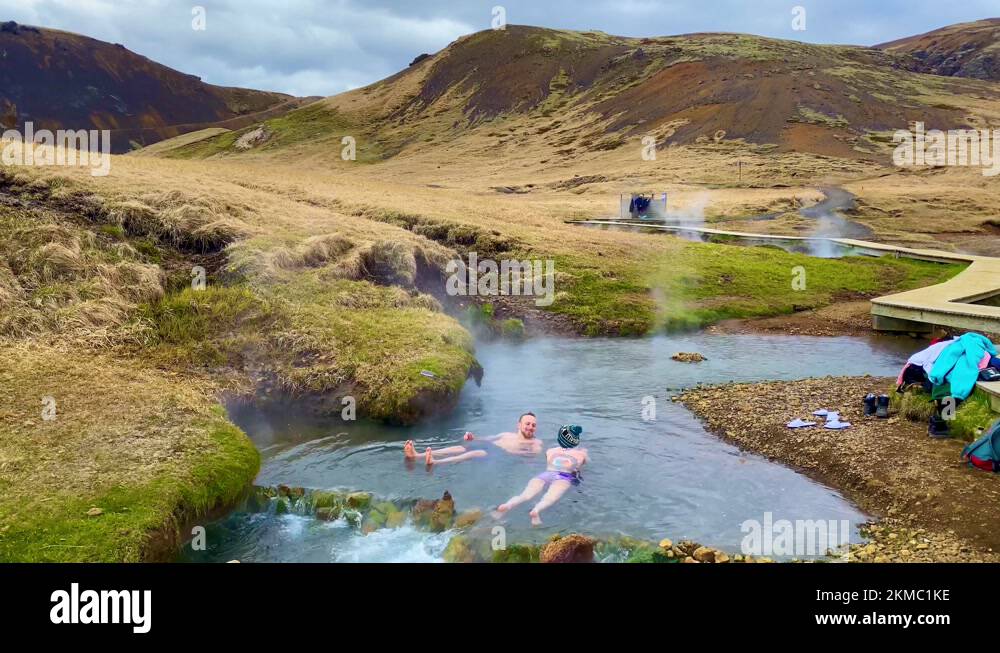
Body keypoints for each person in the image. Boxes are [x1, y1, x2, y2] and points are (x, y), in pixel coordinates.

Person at [494, 424, 587, 525]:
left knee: (525, 495)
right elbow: (580, 468)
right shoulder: (581, 454)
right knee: (550, 498)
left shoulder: (550, 451)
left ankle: (508, 505)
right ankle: (536, 510)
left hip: (545, 474)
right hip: (563, 477)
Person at [403, 412, 542, 465]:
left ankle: (435, 462)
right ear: (519, 425)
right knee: (460, 447)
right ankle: (417, 455)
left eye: (533, 425)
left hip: (500, 456)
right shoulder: (506, 434)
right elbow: (489, 439)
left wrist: (521, 454)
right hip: (491, 448)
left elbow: (533, 457)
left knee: (475, 453)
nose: (530, 427)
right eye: (527, 424)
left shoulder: (536, 442)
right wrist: (473, 438)